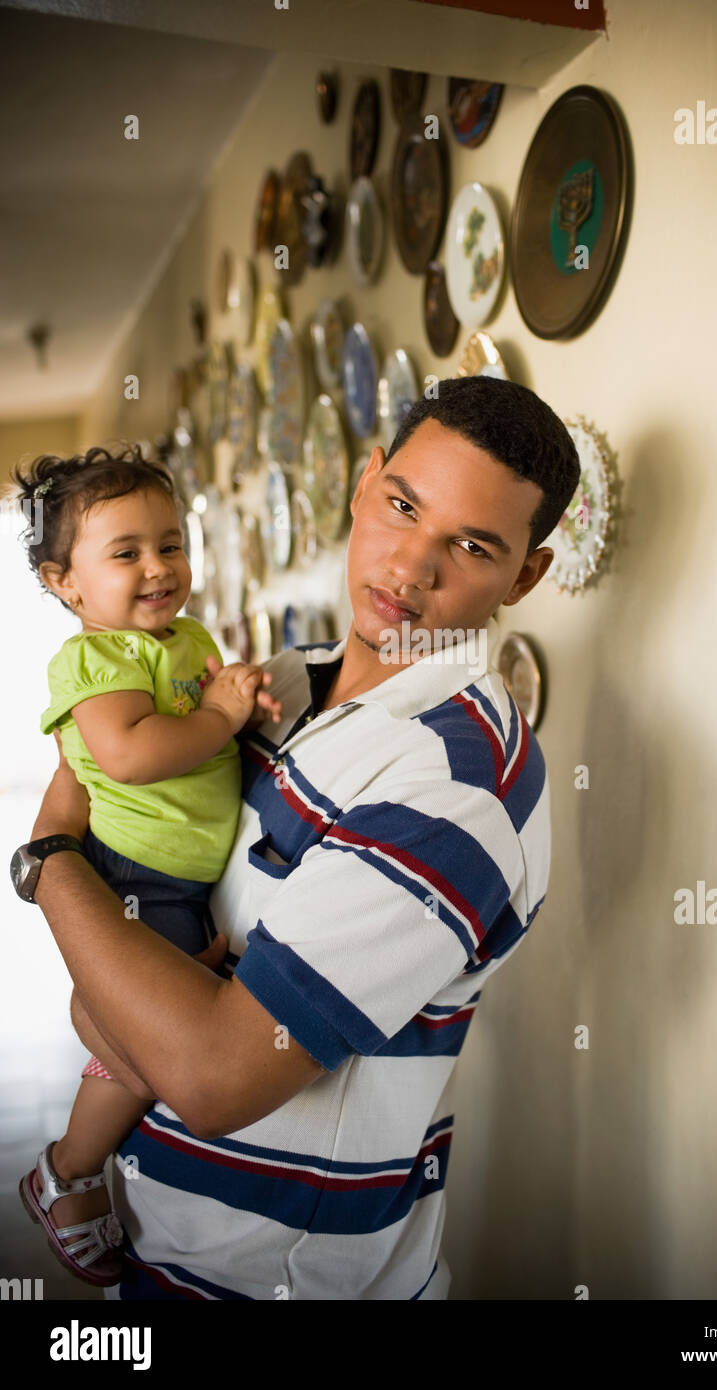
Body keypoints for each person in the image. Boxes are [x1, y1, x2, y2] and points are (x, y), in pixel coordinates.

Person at [16, 376, 580, 1300]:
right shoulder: (278, 684)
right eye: (402, 506)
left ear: (524, 574)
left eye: (472, 546)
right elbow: (114, 1000)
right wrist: (130, 1003)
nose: (411, 568)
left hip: (274, 1280)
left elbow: (205, 1075)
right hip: (156, 1240)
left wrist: (47, 861)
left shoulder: (457, 779)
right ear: (363, 484)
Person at [10, 447, 281, 1286]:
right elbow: (130, 755)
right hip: (133, 874)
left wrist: (243, 693)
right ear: (67, 584)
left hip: (184, 876)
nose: (158, 567)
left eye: (171, 543)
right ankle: (68, 1173)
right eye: (125, 553)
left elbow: (214, 702)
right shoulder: (92, 665)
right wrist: (222, 716)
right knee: (162, 1043)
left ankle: (107, 1064)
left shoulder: (185, 637)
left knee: (152, 1028)